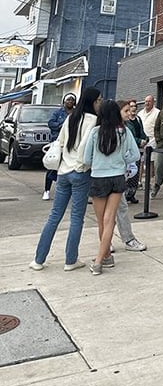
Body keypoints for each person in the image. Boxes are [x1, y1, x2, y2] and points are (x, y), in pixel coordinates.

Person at [30, 87, 101, 272]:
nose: (100, 103)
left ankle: (38, 259)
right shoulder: (93, 121)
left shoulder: (70, 118)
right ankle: (71, 260)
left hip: (63, 172)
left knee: (54, 217)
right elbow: (87, 147)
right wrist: (83, 165)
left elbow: (60, 143)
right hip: (80, 172)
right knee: (77, 218)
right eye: (98, 100)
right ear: (92, 101)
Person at [83, 99, 140, 275]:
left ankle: (99, 261)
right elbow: (136, 155)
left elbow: (86, 160)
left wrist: (99, 164)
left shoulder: (95, 132)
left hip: (98, 178)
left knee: (102, 221)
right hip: (117, 178)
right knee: (110, 221)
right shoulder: (124, 132)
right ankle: (105, 256)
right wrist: (122, 161)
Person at [113, 100, 148, 252]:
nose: (130, 113)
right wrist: (123, 161)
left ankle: (108, 242)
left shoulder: (99, 129)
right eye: (126, 110)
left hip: (102, 175)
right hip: (115, 175)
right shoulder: (123, 130)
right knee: (119, 208)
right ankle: (127, 239)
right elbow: (133, 154)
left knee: (112, 210)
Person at [43, 92, 77, 200]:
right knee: (53, 165)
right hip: (58, 143)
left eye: (72, 100)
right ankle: (47, 190)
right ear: (64, 101)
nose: (70, 102)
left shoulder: (76, 113)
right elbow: (51, 123)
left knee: (68, 167)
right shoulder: (58, 112)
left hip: (71, 143)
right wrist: (60, 126)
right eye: (68, 100)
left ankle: (67, 191)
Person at [124, 99, 147, 204]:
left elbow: (141, 131)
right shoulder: (125, 121)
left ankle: (132, 194)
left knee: (135, 172)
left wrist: (145, 139)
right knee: (128, 172)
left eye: (135, 106)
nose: (133, 108)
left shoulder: (138, 119)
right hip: (129, 149)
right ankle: (125, 194)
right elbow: (129, 136)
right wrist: (139, 141)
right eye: (131, 106)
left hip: (138, 149)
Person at [138, 94, 160, 183]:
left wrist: (156, 139)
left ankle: (149, 182)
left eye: (149, 101)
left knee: (151, 162)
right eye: (146, 101)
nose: (147, 103)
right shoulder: (140, 113)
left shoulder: (157, 113)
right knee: (140, 161)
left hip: (152, 140)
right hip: (142, 140)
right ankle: (138, 181)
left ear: (153, 102)